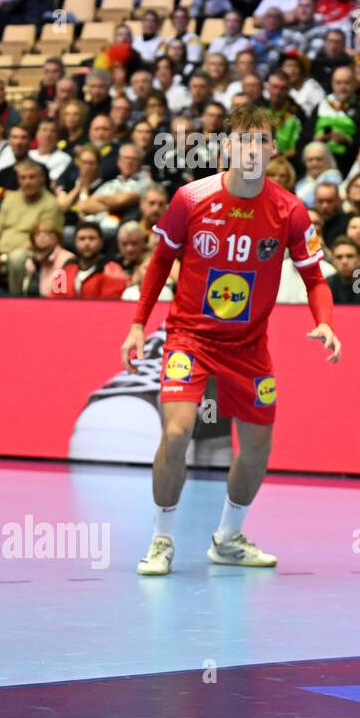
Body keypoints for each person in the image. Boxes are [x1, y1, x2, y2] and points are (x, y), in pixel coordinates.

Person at [122, 105, 341, 577]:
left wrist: (324, 320)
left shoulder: (290, 210)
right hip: (189, 338)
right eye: (244, 140)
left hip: (248, 347)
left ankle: (228, 537)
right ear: (228, 148)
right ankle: (161, 538)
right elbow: (160, 262)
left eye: (262, 141)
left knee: (259, 446)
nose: (253, 150)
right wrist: (139, 322)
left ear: (273, 150)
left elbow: (315, 278)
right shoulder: (190, 197)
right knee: (177, 432)